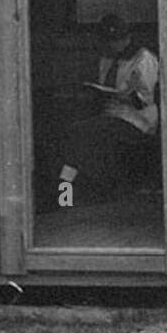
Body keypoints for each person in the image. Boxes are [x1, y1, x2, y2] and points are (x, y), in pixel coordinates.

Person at [57, 14, 159, 202]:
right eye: (109, 41)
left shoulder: (143, 59)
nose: (113, 45)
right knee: (75, 131)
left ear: (127, 38)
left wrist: (124, 95)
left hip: (136, 120)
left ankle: (68, 187)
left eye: (117, 40)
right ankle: (66, 189)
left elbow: (146, 99)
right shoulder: (106, 59)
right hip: (111, 114)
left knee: (85, 134)